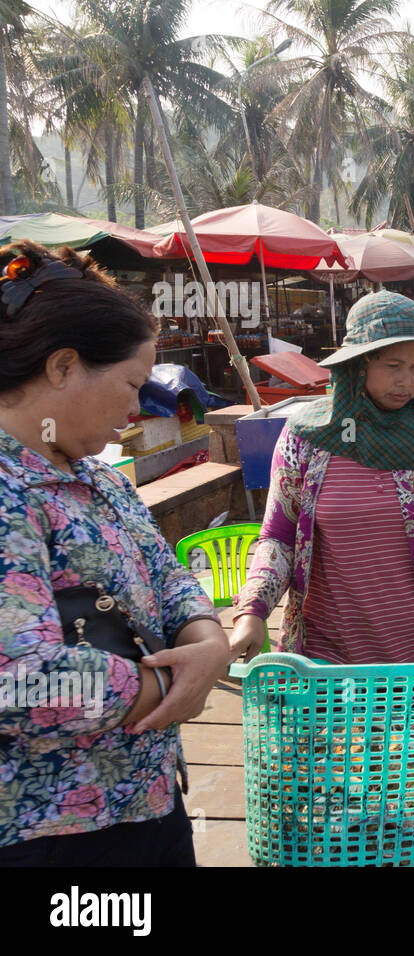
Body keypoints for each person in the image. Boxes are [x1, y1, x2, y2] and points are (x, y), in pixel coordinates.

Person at [0, 241, 230, 865]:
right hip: (52, 835)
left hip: (148, 799)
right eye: (131, 384)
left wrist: (208, 641)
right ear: (62, 366)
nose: (136, 409)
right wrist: (167, 682)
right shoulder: (9, 490)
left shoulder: (100, 480)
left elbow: (167, 572)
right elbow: (19, 679)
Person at [230, 291, 414, 669]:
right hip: (329, 653)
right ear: (358, 365)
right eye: (393, 366)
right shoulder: (305, 438)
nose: (406, 381)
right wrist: (252, 611)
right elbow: (279, 537)